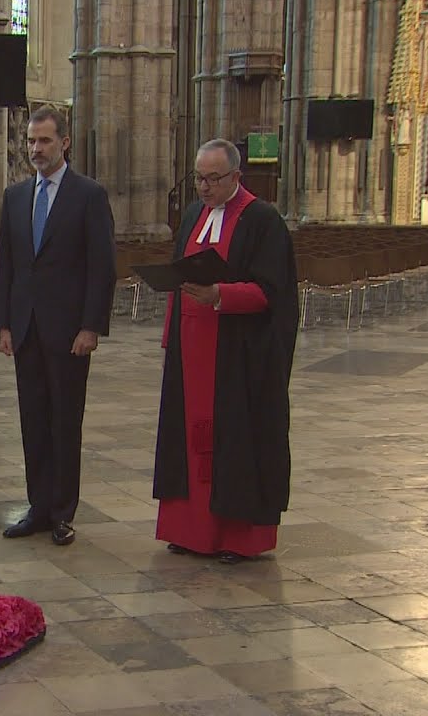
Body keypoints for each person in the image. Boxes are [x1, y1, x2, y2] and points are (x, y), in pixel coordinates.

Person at [152, 139, 299, 564]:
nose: (203, 187)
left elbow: (274, 292)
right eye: (198, 178)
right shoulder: (194, 214)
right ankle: (189, 530)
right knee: (188, 441)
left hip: (236, 354)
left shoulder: (263, 220)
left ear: (237, 176)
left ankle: (236, 536)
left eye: (213, 179)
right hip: (190, 349)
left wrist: (220, 294)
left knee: (234, 441)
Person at [0, 106, 116, 546]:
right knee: (33, 421)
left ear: (64, 142)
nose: (36, 149)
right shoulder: (15, 197)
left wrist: (91, 326)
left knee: (65, 420)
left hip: (68, 332)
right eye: (31, 141)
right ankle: (38, 506)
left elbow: (101, 267)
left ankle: (64, 510)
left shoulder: (88, 195)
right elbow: (7, 264)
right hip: (26, 327)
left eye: (44, 140)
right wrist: (4, 323)